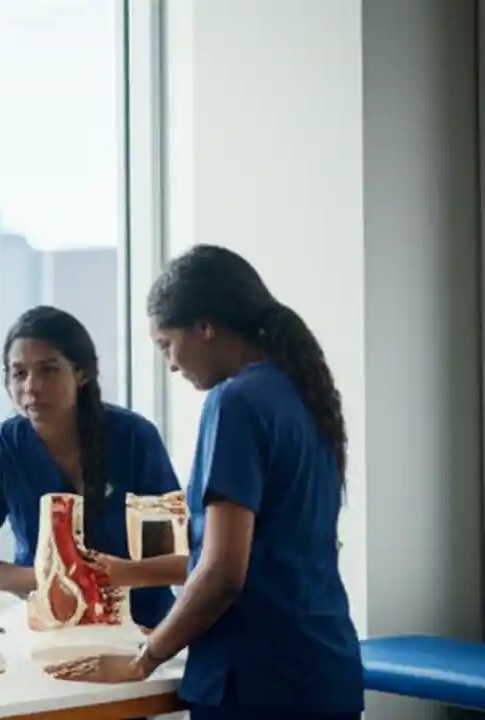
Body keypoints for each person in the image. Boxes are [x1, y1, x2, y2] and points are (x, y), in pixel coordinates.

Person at [50, 244, 363, 720]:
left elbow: (222, 574)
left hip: (259, 682)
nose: (171, 364)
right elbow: (269, 554)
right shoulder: (304, 393)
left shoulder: (235, 401)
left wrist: (145, 657)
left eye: (166, 345)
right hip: (323, 667)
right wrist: (131, 574)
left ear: (205, 326)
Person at [0, 305, 180, 629]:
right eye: (19, 373)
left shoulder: (134, 438)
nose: (32, 386)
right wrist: (52, 579)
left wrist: (112, 577)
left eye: (49, 370)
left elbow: (180, 561)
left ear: (82, 373)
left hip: (145, 628)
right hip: (51, 627)